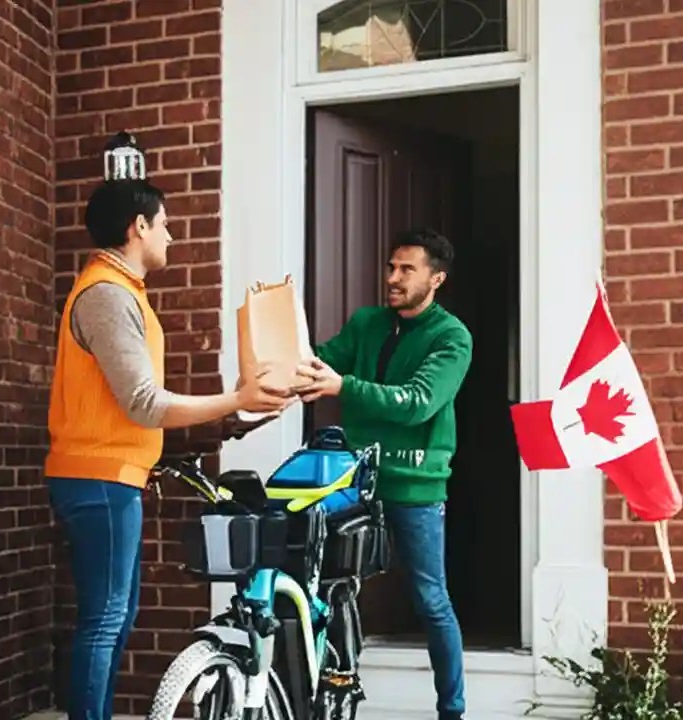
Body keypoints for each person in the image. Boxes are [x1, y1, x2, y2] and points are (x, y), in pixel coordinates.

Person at [44, 132, 293, 720]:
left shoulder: (121, 290)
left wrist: (242, 412)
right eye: (164, 225)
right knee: (105, 621)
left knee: (115, 617)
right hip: (99, 480)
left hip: (112, 478)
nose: (171, 235)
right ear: (137, 226)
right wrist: (236, 396)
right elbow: (142, 402)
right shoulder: (107, 295)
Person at [292, 227, 473, 720]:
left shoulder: (452, 337)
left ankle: (451, 710)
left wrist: (340, 386)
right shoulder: (368, 323)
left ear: (436, 278)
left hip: (415, 487)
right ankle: (329, 691)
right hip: (356, 482)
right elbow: (319, 363)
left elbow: (416, 404)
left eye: (406, 269)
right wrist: (284, 364)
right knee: (327, 584)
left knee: (431, 600)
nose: (392, 277)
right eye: (391, 267)